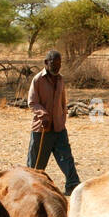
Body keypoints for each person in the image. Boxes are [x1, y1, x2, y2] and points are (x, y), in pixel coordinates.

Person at [26, 49, 81, 194]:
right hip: (42, 128)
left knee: (66, 157)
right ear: (46, 63)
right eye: (54, 63)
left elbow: (63, 101)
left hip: (59, 127)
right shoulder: (38, 80)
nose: (57, 66)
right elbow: (32, 102)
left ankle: (73, 185)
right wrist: (43, 115)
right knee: (36, 163)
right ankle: (31, 188)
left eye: (59, 63)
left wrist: (63, 117)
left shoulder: (61, 79)